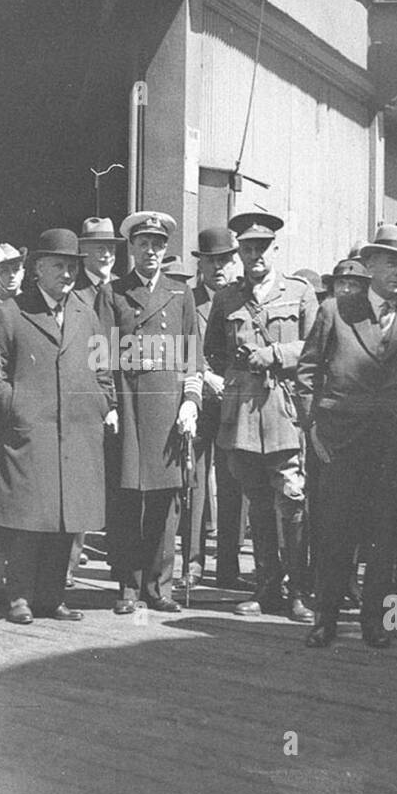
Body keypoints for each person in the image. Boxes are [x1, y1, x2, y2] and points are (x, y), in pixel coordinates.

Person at [298, 231, 397, 648]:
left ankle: (373, 621)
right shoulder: (336, 310)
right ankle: (325, 618)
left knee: (383, 536)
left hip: (393, 446)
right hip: (340, 443)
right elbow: (307, 373)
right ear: (370, 265)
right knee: (335, 533)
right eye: (391, 262)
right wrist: (313, 430)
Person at [0, 228, 118, 623]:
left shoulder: (86, 313)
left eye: (72, 266)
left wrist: (100, 404)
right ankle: (20, 597)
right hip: (32, 433)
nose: (67, 274)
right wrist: (19, 409)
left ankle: (52, 595)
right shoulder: (11, 313)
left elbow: (103, 369)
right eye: (58, 265)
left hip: (78, 432)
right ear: (37, 269)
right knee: (29, 519)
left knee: (66, 518)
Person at [205, 211, 318, 623]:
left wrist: (274, 355)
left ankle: (299, 590)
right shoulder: (228, 298)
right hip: (243, 417)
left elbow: (314, 347)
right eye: (247, 249)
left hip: (284, 412)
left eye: (261, 248)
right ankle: (266, 587)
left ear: (275, 249)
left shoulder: (300, 293)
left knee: (291, 500)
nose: (254, 256)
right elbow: (213, 350)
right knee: (257, 502)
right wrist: (236, 377)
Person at [107, 211, 202, 615]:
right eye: (143, 243)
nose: (150, 251)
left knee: (166, 502)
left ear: (166, 250)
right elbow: (103, 354)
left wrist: (190, 402)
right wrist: (109, 405)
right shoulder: (113, 293)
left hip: (168, 407)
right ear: (131, 248)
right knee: (129, 498)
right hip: (129, 403)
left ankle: (159, 586)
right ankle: (128, 585)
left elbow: (193, 356)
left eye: (158, 244)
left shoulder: (180, 294)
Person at [181, 225, 248, 590]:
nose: (219, 268)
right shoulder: (187, 299)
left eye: (225, 260)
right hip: (201, 402)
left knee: (232, 481)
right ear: (201, 264)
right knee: (195, 483)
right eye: (212, 261)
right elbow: (183, 350)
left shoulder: (240, 299)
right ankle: (193, 563)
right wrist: (205, 378)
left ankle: (228, 565)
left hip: (234, 403)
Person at [69, 216, 124, 588]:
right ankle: (68, 567)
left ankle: (121, 567)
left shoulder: (121, 291)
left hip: (121, 400)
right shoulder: (73, 294)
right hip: (85, 402)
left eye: (111, 247)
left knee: (117, 485)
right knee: (78, 484)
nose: (106, 253)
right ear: (82, 252)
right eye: (97, 247)